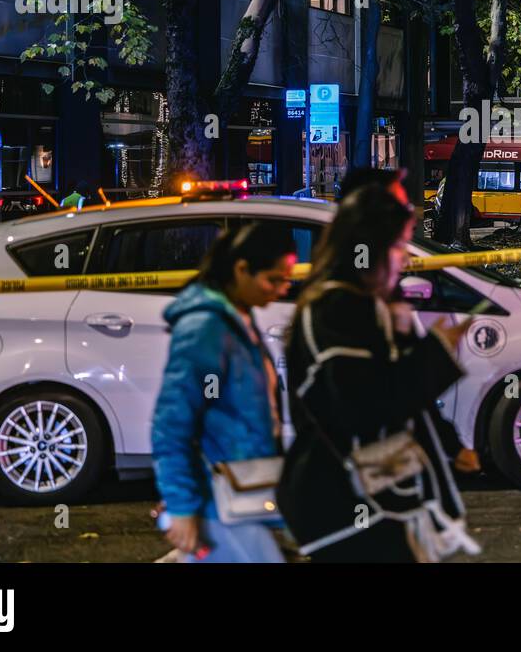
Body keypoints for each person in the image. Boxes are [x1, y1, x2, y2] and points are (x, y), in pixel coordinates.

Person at [278, 174, 478, 562]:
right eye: (399, 246)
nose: (404, 259)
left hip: (373, 497)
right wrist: (435, 352)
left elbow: (404, 402)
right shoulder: (337, 309)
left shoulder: (367, 304)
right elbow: (365, 406)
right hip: (343, 500)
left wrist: (450, 444)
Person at [151, 221, 297, 563]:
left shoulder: (235, 319)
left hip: (237, 496)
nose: (281, 290)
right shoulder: (206, 328)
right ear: (241, 269)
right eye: (274, 279)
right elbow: (171, 426)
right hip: (220, 502)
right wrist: (182, 506)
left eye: (286, 279)